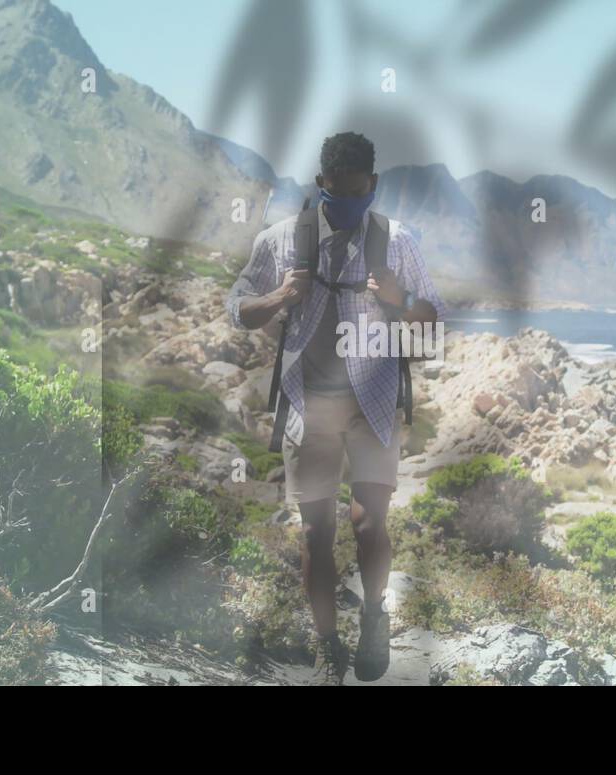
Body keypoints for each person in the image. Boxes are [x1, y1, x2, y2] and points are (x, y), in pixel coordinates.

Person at [227, 131, 445, 684]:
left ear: (373, 185)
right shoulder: (280, 241)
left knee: (369, 523)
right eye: (336, 191)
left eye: (357, 191)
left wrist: (401, 301)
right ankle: (328, 646)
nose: (346, 201)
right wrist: (279, 297)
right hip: (308, 403)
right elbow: (239, 308)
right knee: (313, 533)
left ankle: (374, 618)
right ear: (320, 183)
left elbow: (433, 323)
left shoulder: (398, 242)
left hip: (374, 401)